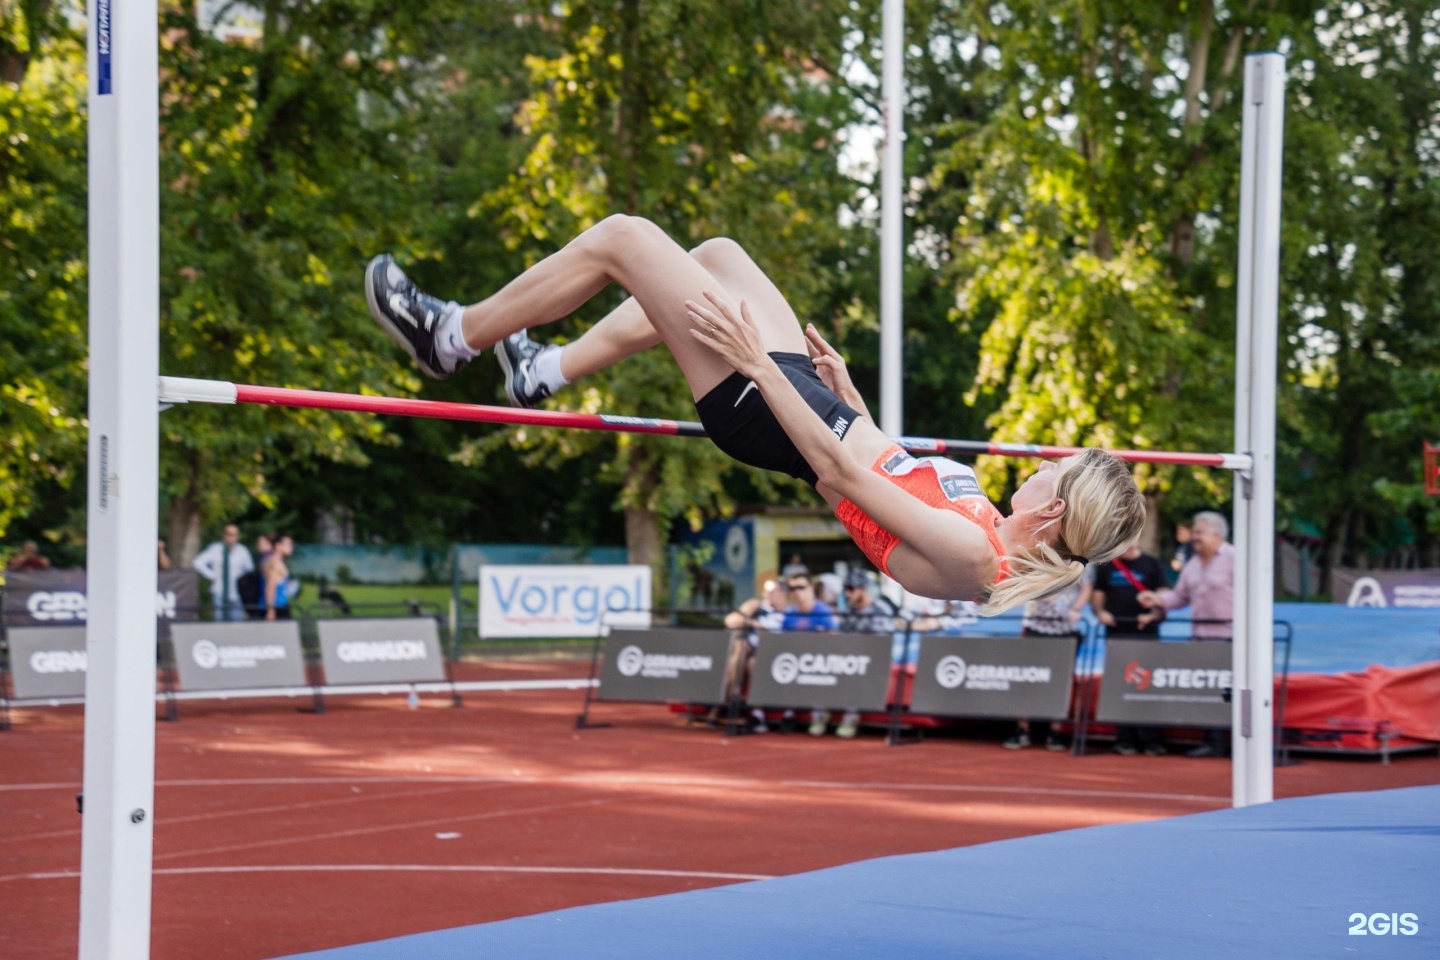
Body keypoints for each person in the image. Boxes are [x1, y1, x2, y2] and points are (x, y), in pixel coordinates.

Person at [363, 218, 1146, 613]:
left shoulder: (981, 561)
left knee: (626, 240)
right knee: (718, 256)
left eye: (1059, 470)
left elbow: (838, 477)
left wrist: (759, 364)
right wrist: (849, 398)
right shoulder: (989, 537)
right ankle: (541, 370)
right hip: (811, 406)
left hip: (771, 409)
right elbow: (882, 476)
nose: (1046, 461)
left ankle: (451, 338)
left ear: (1053, 514)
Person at [1138, 511, 1234, 758]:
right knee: (1208, 692)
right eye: (1194, 533)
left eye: (1199, 533)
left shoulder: (1235, 559)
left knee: (1232, 692)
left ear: (1217, 534)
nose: (1194, 537)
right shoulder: (1192, 564)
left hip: (1231, 638)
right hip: (1201, 638)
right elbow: (1180, 596)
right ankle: (1213, 742)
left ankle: (1240, 743)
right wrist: (1157, 598)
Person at [1092, 543, 1168, 756]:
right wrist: (1101, 613)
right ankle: (1124, 737)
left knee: (1149, 685)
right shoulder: (1107, 564)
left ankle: (1152, 739)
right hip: (1117, 634)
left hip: (1147, 634)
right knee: (1119, 685)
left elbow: (1163, 597)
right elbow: (1098, 596)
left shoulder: (1151, 563)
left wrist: (1152, 616)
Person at [1005, 565, 1092, 750]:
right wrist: (1056, 602)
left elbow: (1087, 586)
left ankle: (1056, 731)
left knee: (1062, 680)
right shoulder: (1040, 551)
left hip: (1066, 630)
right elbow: (1028, 584)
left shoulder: (1084, 556)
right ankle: (1022, 729)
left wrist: (1075, 609)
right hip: (1036, 625)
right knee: (1027, 677)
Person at [811, 568, 900, 739]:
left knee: (856, 674)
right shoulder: (848, 612)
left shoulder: (879, 610)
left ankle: (851, 718)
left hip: (872, 663)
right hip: (848, 660)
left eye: (851, 589)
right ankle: (821, 716)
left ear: (863, 589)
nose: (847, 594)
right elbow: (842, 638)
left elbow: (881, 646)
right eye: (846, 589)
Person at [720, 577, 788, 732]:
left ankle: (736, 705)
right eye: (765, 590)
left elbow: (770, 629)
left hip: (772, 652)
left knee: (750, 659)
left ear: (782, 593)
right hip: (746, 648)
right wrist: (745, 616)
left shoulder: (788, 613)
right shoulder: (755, 606)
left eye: (772, 591)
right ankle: (733, 700)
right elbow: (731, 621)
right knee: (740, 648)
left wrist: (749, 622)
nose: (766, 594)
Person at [192, 524, 254, 622]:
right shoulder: (215, 549)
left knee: (238, 624)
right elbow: (197, 563)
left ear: (237, 537)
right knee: (220, 623)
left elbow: (249, 570)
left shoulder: (242, 551)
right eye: (229, 534)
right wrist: (211, 575)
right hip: (219, 591)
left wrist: (244, 584)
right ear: (224, 535)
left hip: (237, 593)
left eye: (234, 535)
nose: (231, 537)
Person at [261, 534, 295, 621]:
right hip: (277, 608)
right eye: (288, 544)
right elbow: (270, 587)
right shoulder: (275, 563)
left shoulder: (275, 561)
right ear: (278, 546)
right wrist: (271, 611)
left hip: (280, 605)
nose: (291, 547)